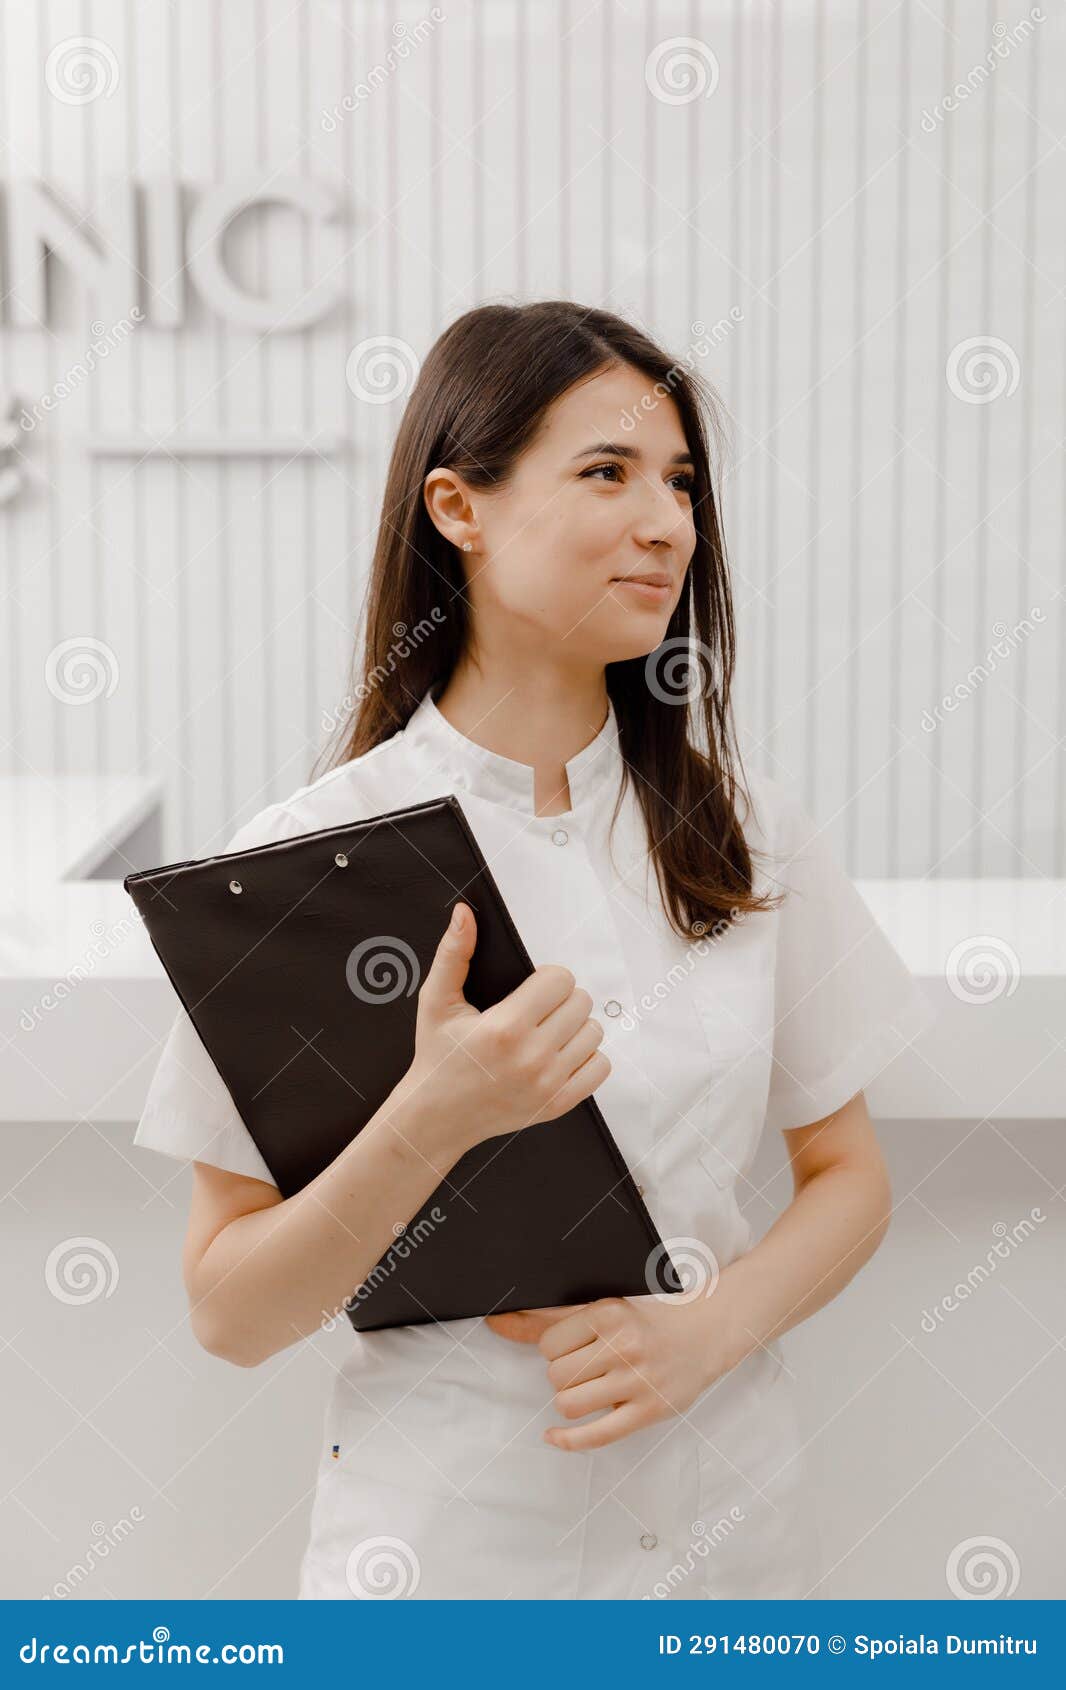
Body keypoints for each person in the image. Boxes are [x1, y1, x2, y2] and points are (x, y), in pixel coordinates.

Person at [132, 299, 934, 1600]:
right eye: (607, 472)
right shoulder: (313, 858)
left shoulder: (742, 827)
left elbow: (846, 1171)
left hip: (729, 1541)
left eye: (678, 480)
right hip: (446, 1559)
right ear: (460, 507)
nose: (666, 520)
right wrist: (429, 1116)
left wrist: (705, 1331)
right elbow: (231, 1310)